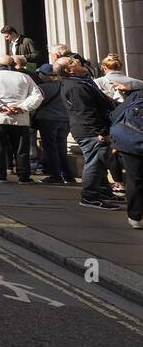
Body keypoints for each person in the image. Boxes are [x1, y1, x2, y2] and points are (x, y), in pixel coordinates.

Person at [56, 55, 121, 209]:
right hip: (91, 131)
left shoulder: (82, 81)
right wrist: (102, 131)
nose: (77, 61)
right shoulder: (76, 86)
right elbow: (86, 112)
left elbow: (102, 102)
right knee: (95, 163)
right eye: (72, 62)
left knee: (99, 162)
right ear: (69, 70)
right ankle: (90, 197)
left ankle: (103, 191)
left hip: (91, 129)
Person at [0, 55, 43, 182]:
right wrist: (22, 107)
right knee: (21, 149)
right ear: (14, 64)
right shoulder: (25, 77)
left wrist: (1, 107)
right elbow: (37, 96)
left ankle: (1, 174)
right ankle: (24, 175)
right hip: (20, 118)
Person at [109, 87, 143, 230]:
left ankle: (135, 217)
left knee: (134, 178)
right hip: (132, 141)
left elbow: (115, 115)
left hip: (130, 140)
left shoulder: (137, 94)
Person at [32, 65, 72, 185]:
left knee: (50, 148)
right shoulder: (66, 85)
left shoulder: (42, 88)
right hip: (65, 119)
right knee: (62, 148)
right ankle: (68, 175)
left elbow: (35, 103)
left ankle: (55, 175)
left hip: (47, 120)